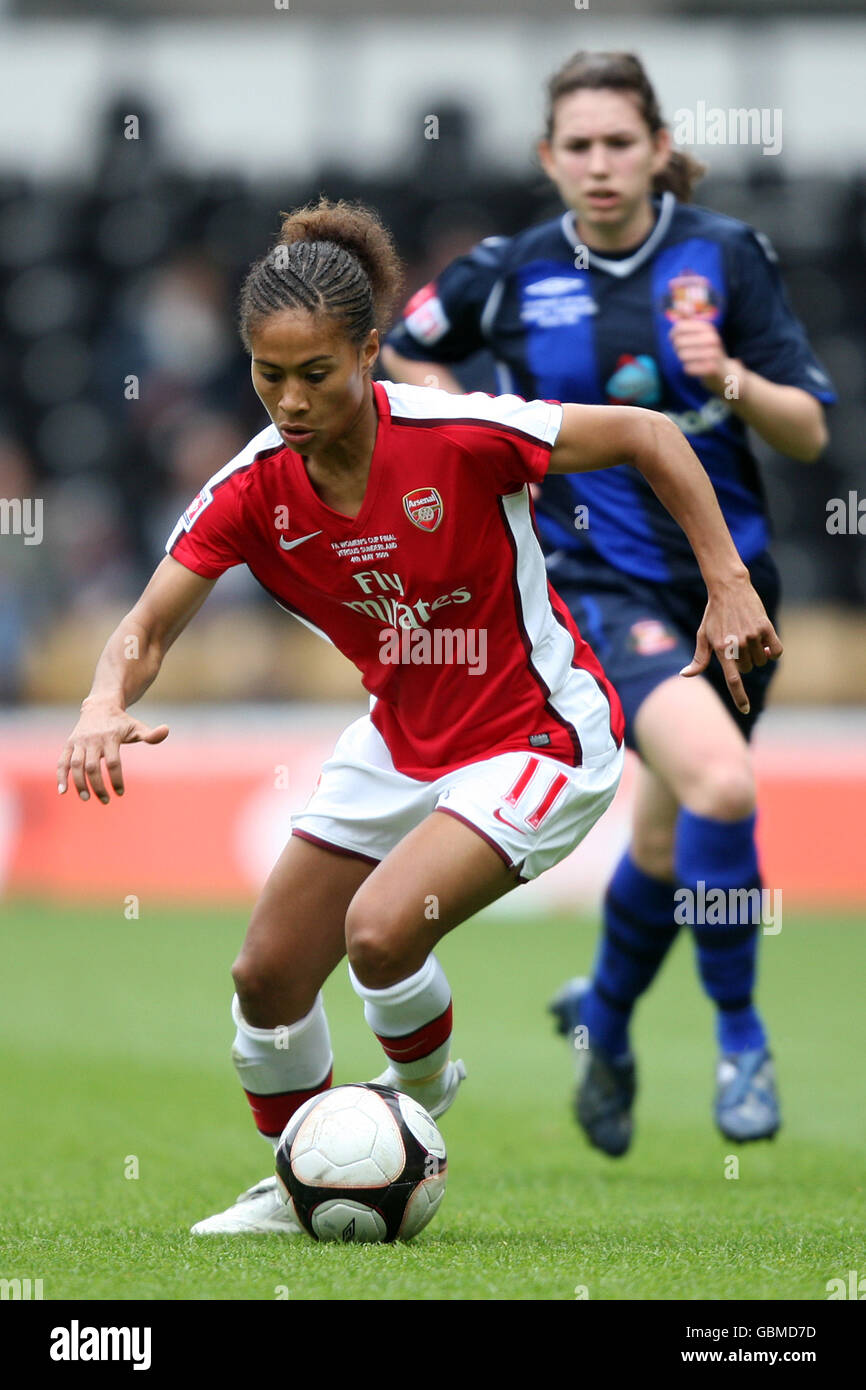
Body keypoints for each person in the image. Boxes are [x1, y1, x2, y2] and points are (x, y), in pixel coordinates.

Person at [58, 197, 781, 1235]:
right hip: (400, 738)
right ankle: (306, 1169)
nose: (292, 400)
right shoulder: (248, 489)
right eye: (269, 376)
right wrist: (100, 698)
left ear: (367, 351)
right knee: (264, 978)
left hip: (536, 732)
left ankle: (416, 1108)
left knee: (381, 935)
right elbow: (149, 623)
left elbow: (646, 430)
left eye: (317, 373)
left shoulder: (457, 432)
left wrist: (724, 580)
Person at [381, 51, 835, 1155]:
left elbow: (807, 430)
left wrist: (723, 374)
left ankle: (605, 1017)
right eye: (575, 146)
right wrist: (459, 407)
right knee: (721, 788)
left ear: (655, 148)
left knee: (669, 834)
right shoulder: (509, 267)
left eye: (616, 143)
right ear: (547, 156)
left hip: (731, 586)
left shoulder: (724, 256)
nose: (596, 163)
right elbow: (400, 346)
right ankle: (740, 1039)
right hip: (592, 587)